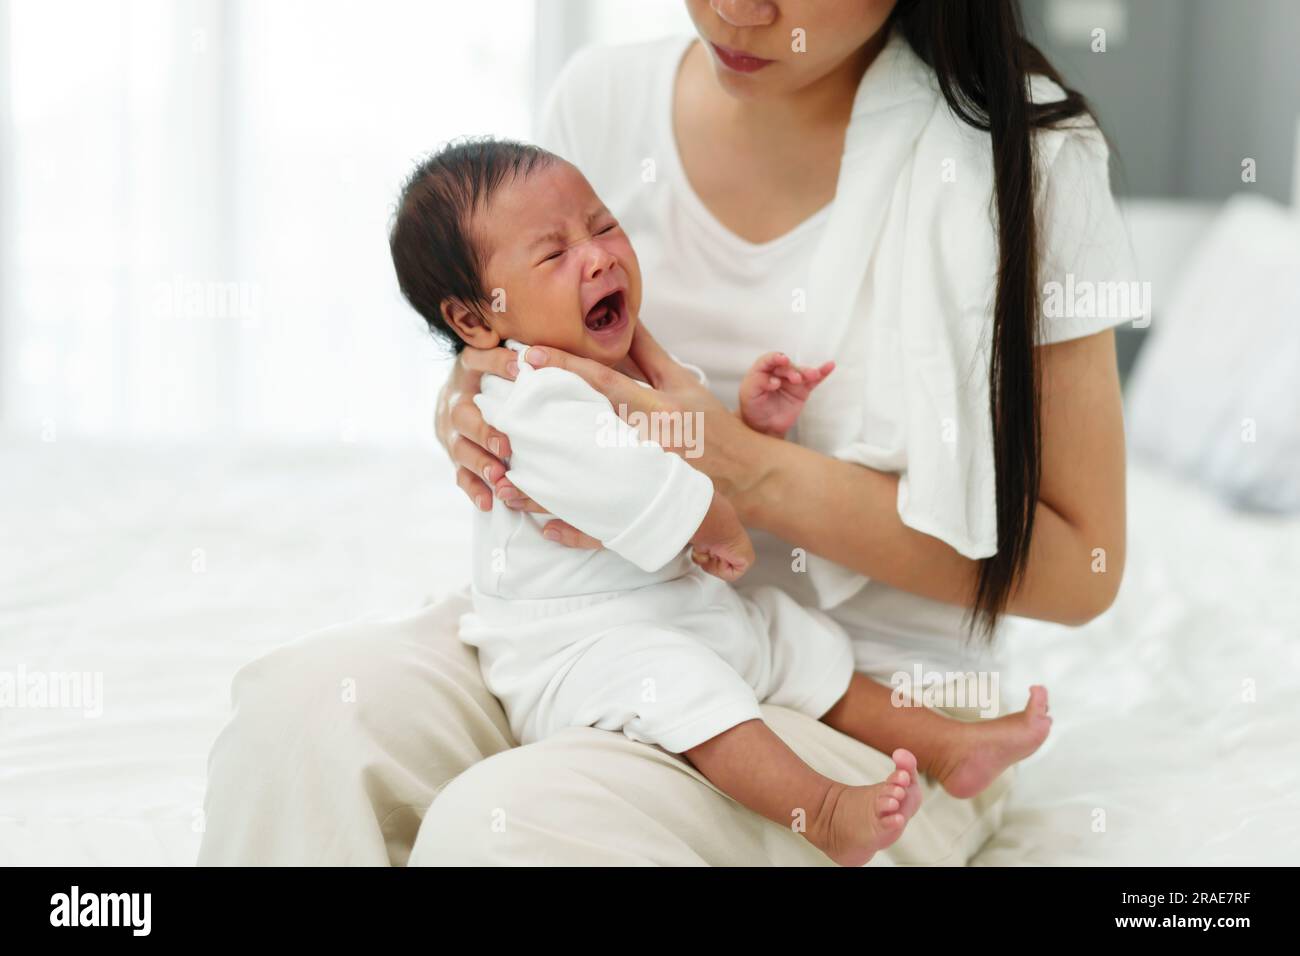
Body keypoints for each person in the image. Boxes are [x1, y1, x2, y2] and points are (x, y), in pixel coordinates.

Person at [199, 0, 1132, 866]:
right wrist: (464, 398)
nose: (736, 8)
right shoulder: (601, 102)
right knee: (299, 722)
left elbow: (1080, 567)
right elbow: (507, 324)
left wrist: (743, 472)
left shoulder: (1023, 158)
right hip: (589, 621)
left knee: (513, 827)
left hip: (859, 699)